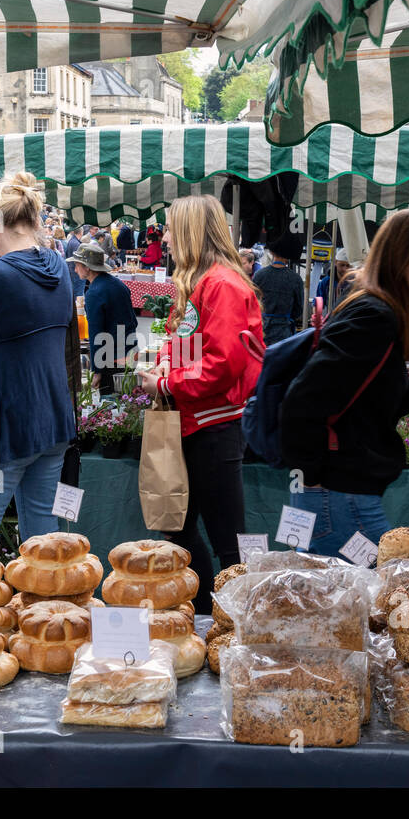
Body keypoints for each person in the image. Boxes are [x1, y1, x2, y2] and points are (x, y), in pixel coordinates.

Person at [281, 209, 409, 555]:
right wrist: (316, 481)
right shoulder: (375, 316)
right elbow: (301, 403)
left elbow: (360, 403)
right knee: (367, 601)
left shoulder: (378, 310)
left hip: (339, 494)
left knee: (330, 604)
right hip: (339, 496)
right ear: (405, 259)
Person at [138, 195, 263, 614]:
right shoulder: (203, 281)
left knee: (226, 540)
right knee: (180, 531)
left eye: (171, 228)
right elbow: (188, 348)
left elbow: (223, 364)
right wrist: (161, 368)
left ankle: (230, 623)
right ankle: (212, 615)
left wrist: (166, 383)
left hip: (213, 427)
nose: (166, 238)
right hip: (195, 423)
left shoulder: (221, 284)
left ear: (190, 232)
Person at [0, 173, 74, 552]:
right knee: (42, 533)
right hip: (54, 416)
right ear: (34, 221)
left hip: (7, 423)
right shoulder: (60, 265)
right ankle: (50, 609)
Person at [69, 242, 138, 397]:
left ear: (87, 267)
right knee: (125, 401)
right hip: (129, 351)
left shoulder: (95, 292)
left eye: (77, 265)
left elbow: (96, 334)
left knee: (111, 404)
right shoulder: (118, 284)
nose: (75, 269)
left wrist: (97, 370)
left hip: (111, 358)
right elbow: (132, 321)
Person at [253, 248, 303, 345]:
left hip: (262, 331)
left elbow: (252, 304)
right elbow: (298, 310)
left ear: (271, 252)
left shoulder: (259, 275)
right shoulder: (295, 279)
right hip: (284, 333)